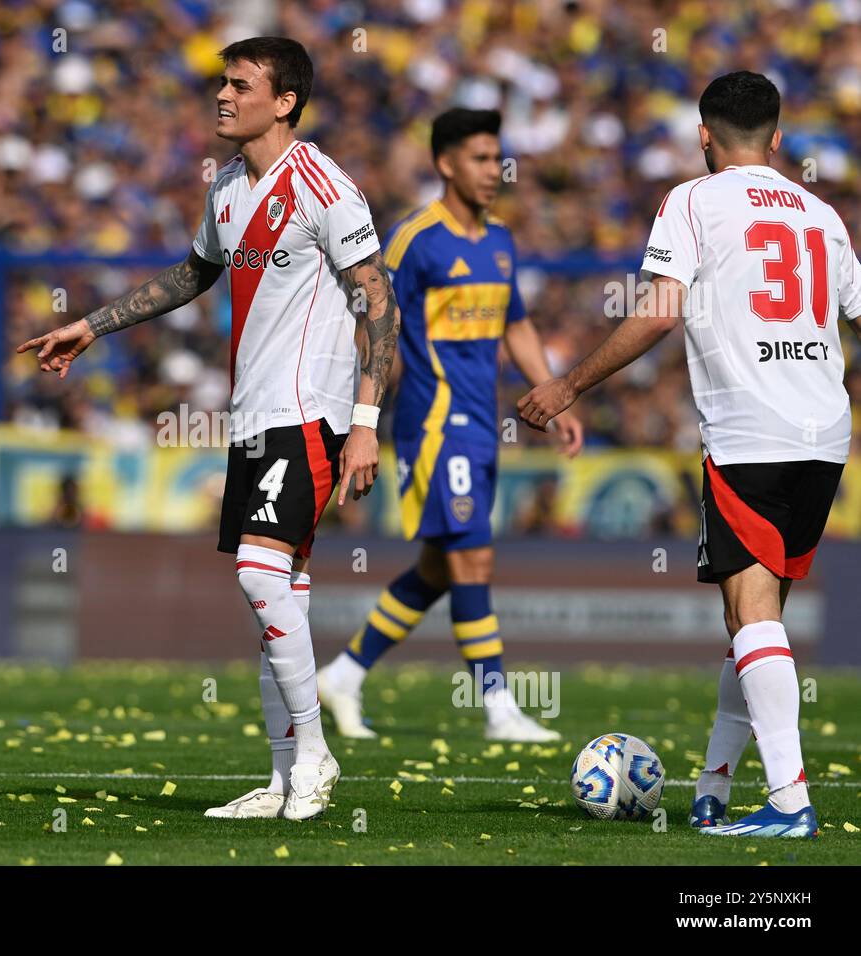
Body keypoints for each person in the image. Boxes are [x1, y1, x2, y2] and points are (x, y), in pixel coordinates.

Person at [16, 37, 400, 821]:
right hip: (253, 418)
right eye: (220, 83)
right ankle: (285, 777)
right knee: (280, 591)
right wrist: (92, 326)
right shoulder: (226, 187)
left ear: (284, 99)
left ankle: (317, 756)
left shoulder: (325, 186)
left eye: (239, 84)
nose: (221, 96)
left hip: (311, 413)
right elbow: (195, 273)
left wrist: (365, 424)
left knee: (259, 577)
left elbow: (378, 301)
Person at [519, 71, 860, 838]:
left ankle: (789, 803)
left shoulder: (693, 201)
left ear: (703, 135)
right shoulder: (821, 214)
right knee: (756, 616)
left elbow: (659, 313)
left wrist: (570, 383)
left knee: (749, 611)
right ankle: (713, 783)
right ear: (777, 139)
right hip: (824, 434)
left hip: (749, 432)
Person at [317, 109, 581, 742]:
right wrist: (365, 418)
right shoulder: (414, 240)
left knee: (440, 565)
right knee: (473, 559)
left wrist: (555, 393)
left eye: (498, 159)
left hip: (481, 423)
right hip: (434, 424)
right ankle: (498, 707)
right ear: (446, 164)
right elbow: (374, 324)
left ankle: (346, 673)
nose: (495, 172)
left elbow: (515, 323)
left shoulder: (500, 241)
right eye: (481, 159)